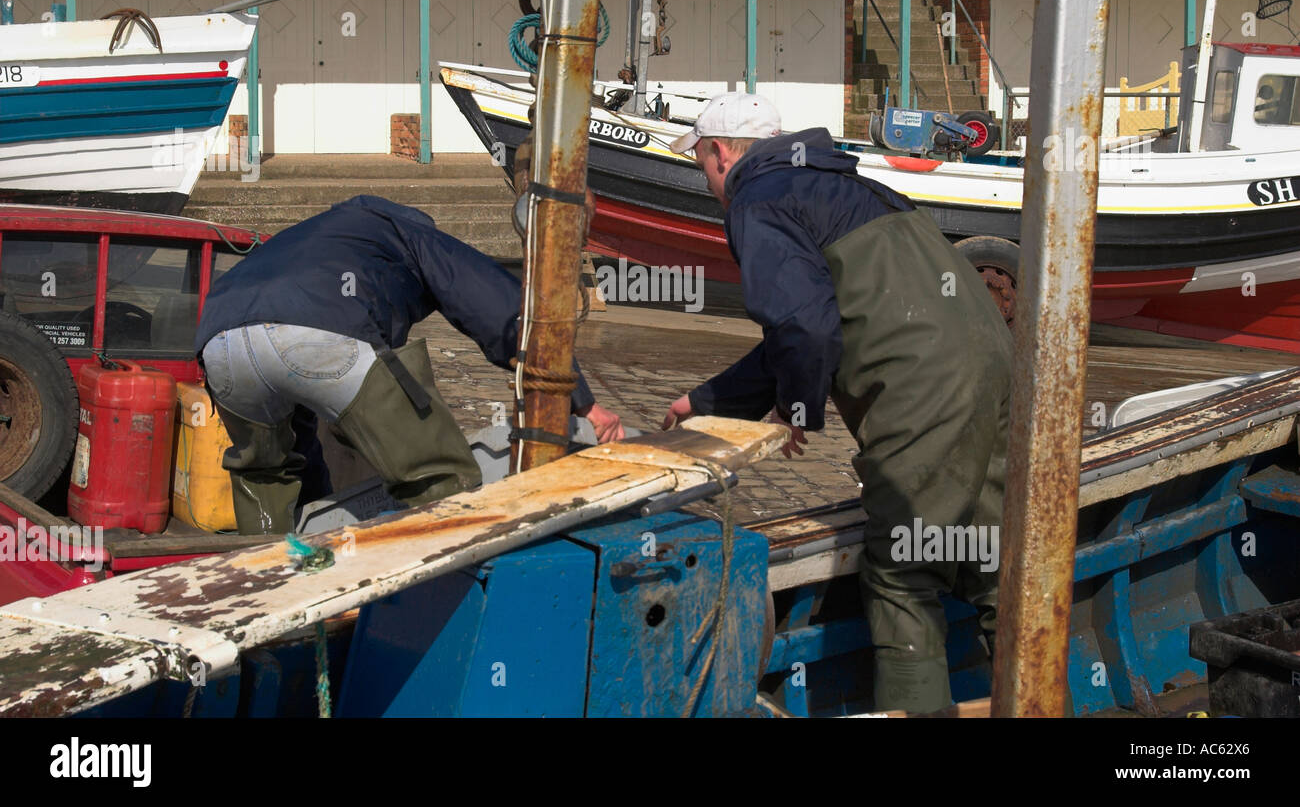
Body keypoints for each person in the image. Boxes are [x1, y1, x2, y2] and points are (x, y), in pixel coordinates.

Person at [660, 93, 1013, 713]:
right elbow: (823, 320)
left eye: (702, 163)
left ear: (719, 153)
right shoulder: (847, 182)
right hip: (991, 358)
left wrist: (796, 410)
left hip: (922, 384)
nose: (708, 178)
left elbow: (807, 328)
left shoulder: (755, 198)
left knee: (903, 571)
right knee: (988, 557)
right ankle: (1042, 698)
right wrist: (706, 398)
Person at [195, 194, 623, 535]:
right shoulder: (409, 235)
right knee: (437, 476)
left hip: (218, 341)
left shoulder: (316, 238)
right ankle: (442, 600)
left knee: (265, 474)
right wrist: (583, 403)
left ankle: (270, 588)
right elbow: (497, 306)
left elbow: (293, 388)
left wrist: (317, 515)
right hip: (321, 331)